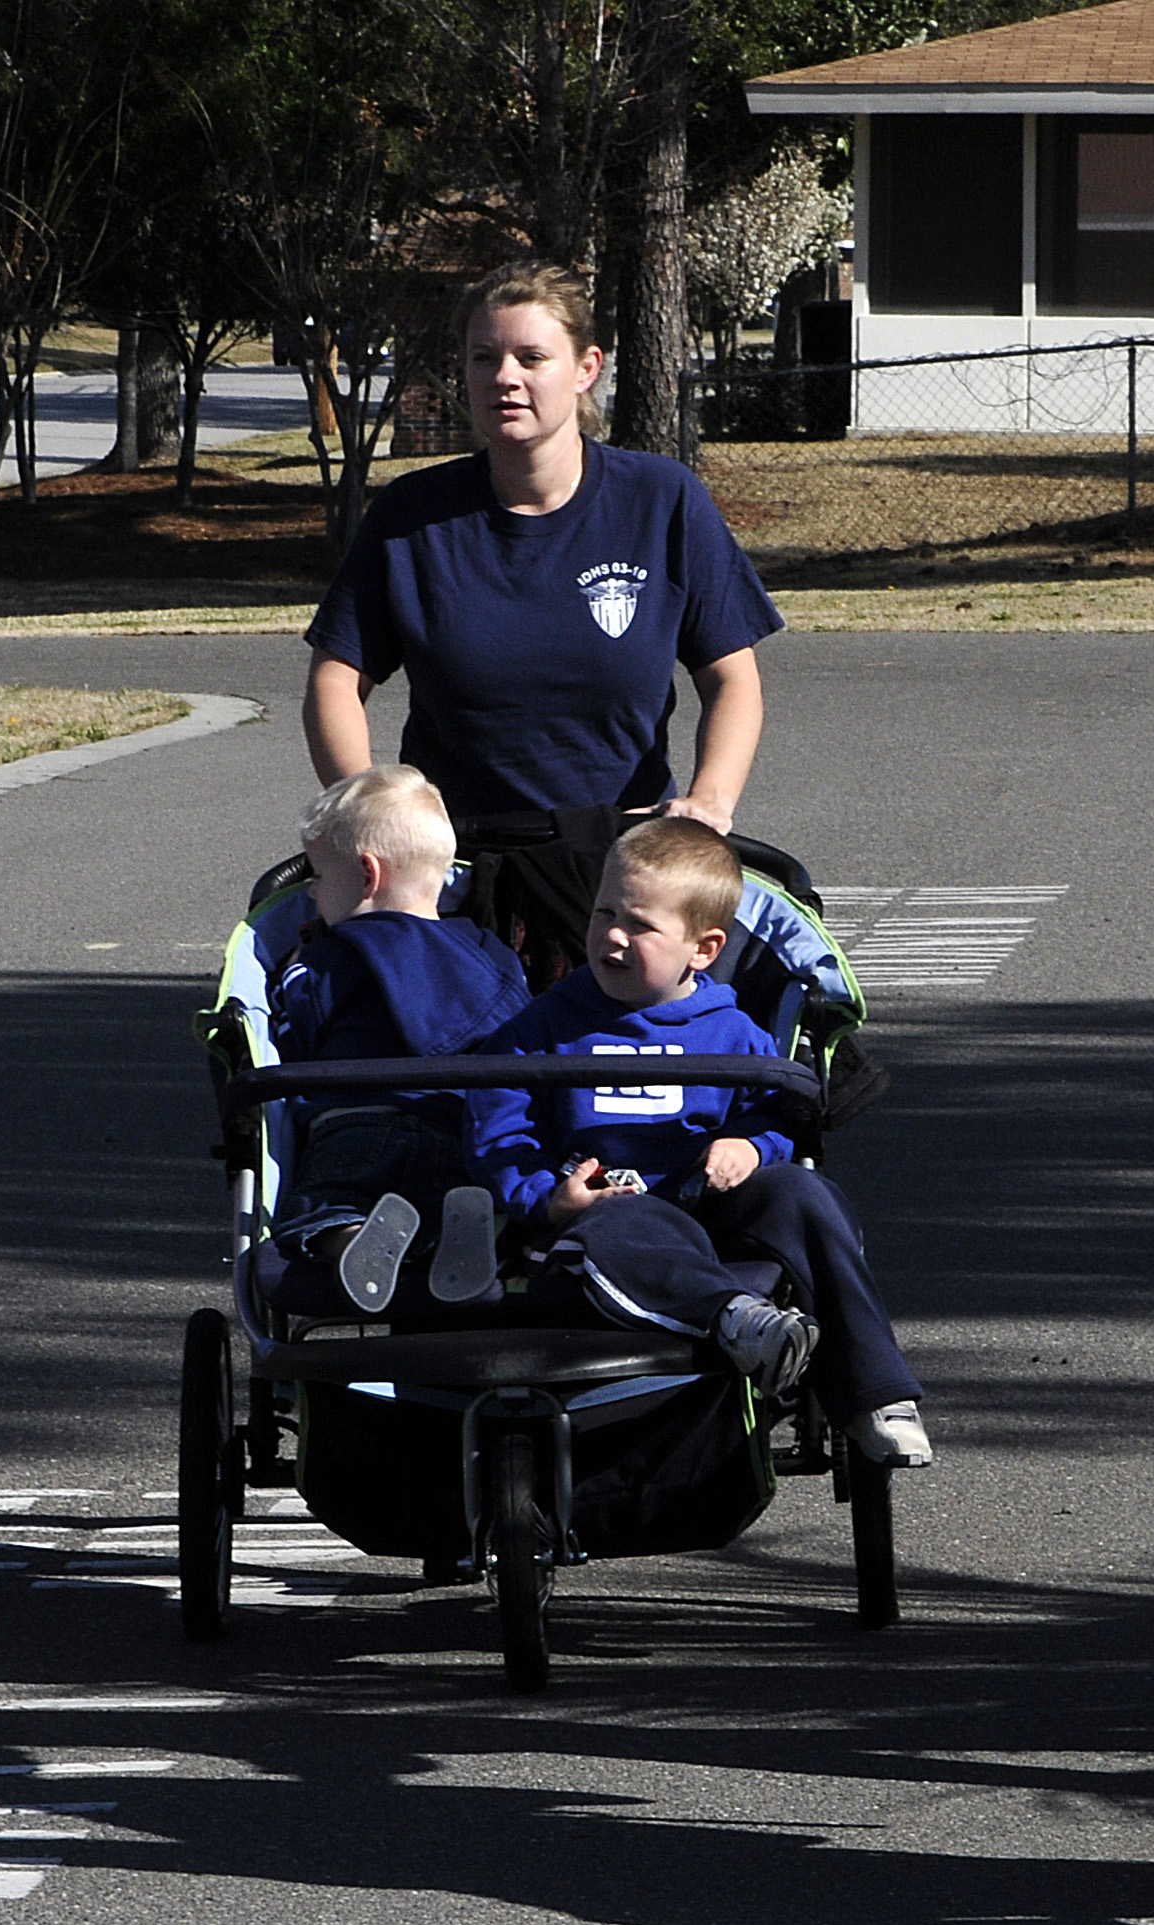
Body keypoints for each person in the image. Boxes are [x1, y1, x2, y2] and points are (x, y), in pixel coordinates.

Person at [469, 819, 932, 1468]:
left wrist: (754, 1145)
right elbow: (500, 1129)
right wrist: (547, 1198)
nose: (612, 936)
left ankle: (876, 1394)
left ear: (704, 949)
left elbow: (780, 1115)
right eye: (603, 913)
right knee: (620, 1215)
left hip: (709, 1204)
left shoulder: (733, 1030)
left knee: (805, 1190)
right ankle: (735, 1319)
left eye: (640, 925)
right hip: (604, 1215)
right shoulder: (541, 1026)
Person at [302, 261, 784, 831]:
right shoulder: (410, 516)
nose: (505, 376)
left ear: (586, 368)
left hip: (622, 857)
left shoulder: (662, 500)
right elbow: (334, 680)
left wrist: (710, 802)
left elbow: (732, 679)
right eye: (484, 358)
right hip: (454, 861)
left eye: (531, 358)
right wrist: (370, 810)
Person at [268, 765, 530, 1310]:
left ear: (367, 875)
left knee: (323, 1205)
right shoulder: (492, 955)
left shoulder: (330, 956)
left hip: (357, 1122)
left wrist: (291, 975)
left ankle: (352, 1240)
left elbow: (296, 1036)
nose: (314, 892)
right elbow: (521, 1032)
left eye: (319, 876)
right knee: (441, 1193)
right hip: (460, 1127)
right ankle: (455, 1234)